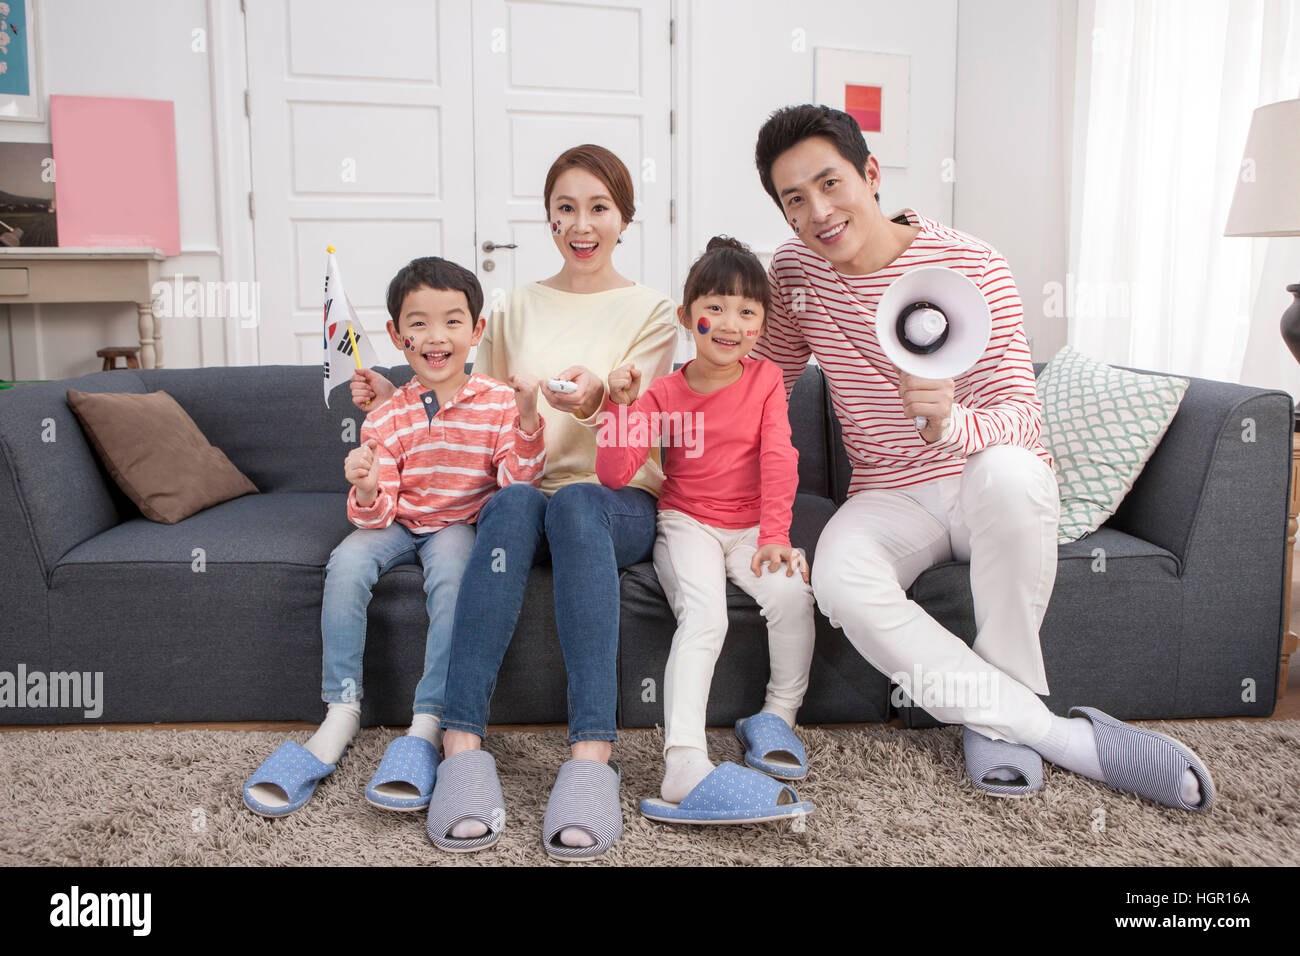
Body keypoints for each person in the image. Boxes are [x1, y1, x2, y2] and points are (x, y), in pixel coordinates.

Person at [750, 104, 1214, 811]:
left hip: (981, 479)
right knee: (839, 579)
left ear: (870, 174)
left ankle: (1001, 720)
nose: (819, 212)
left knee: (1010, 473)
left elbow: (1022, 421)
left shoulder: (972, 261)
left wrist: (951, 424)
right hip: (888, 497)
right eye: (795, 200)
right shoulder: (793, 273)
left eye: (831, 183)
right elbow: (763, 383)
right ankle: (1050, 733)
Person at [351, 145, 680, 857]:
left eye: (598, 207)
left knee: (572, 505)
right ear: (548, 217)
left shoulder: (654, 311)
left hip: (613, 500)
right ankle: (462, 745)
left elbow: (636, 410)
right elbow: (474, 399)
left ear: (624, 216)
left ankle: (592, 755)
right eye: (565, 208)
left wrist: (596, 398)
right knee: (512, 502)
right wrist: (392, 390)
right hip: (529, 490)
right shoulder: (513, 306)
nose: (581, 224)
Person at [242, 257, 545, 817]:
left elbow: (516, 484)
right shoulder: (386, 415)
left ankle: (427, 722)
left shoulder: (500, 403)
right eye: (420, 324)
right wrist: (364, 489)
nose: (436, 336)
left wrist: (528, 421)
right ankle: (341, 712)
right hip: (399, 521)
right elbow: (374, 518)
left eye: (453, 322)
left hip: (458, 524)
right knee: (347, 563)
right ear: (397, 336)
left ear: (476, 332)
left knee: (455, 577)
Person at [596, 236, 816, 825]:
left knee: (793, 595)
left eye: (747, 312)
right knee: (706, 617)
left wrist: (775, 534)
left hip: (752, 529)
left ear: (762, 324)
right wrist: (620, 408)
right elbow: (614, 473)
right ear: (687, 314)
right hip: (687, 522)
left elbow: (778, 455)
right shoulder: (663, 391)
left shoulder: (767, 378)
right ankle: (684, 762)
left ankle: (776, 718)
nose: (730, 323)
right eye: (715, 306)